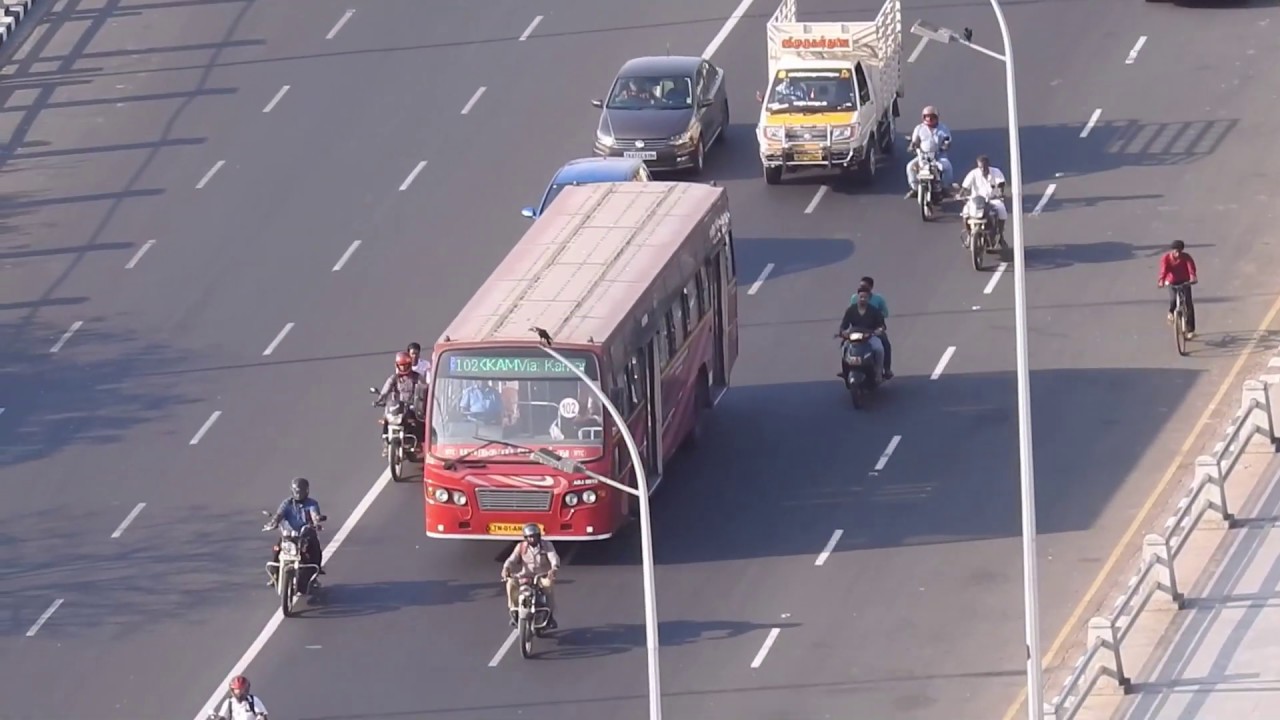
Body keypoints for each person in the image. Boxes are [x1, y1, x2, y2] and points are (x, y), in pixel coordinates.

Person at [265, 478, 324, 587]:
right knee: (276, 549)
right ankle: (274, 575)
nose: (298, 494)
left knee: (315, 548)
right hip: (288, 535)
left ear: (306, 491)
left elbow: (314, 514)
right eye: (296, 491)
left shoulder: (312, 503)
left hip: (306, 535)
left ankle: (314, 574)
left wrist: (316, 520)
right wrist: (274, 522)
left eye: (301, 491)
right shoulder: (287, 503)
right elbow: (279, 514)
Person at [502, 523, 561, 629]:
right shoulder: (520, 546)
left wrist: (553, 569)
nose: (532, 539)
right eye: (529, 537)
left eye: (534, 536)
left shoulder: (547, 545)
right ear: (525, 538)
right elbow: (512, 559)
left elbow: (554, 558)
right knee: (510, 583)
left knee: (549, 586)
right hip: (524, 576)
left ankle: (550, 615)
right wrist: (506, 568)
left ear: (538, 536)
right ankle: (514, 611)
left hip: (541, 576)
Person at [374, 351, 426, 448]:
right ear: (397, 365)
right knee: (386, 418)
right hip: (397, 406)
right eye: (401, 366)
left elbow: (424, 388)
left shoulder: (417, 377)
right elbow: (386, 389)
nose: (403, 368)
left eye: (405, 365)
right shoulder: (394, 378)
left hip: (411, 406)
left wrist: (422, 400)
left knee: (420, 420)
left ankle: (418, 443)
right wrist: (380, 399)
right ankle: (385, 441)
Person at [838, 287, 888, 379]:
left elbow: (882, 325)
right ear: (858, 297)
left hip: (870, 336)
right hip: (854, 336)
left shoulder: (874, 311)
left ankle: (878, 373)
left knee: (879, 349)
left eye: (865, 297)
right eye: (861, 297)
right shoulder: (851, 310)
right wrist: (842, 331)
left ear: (868, 298)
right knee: (844, 348)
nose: (863, 299)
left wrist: (878, 330)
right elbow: (844, 324)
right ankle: (845, 371)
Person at [960, 155, 1009, 247]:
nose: (982, 169)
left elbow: (1000, 184)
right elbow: (965, 187)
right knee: (965, 212)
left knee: (1002, 211)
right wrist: (960, 195)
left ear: (988, 165)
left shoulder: (996, 172)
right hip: (976, 201)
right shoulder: (973, 173)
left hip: (992, 199)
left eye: (984, 167)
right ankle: (969, 235)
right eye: (980, 167)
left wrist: (1000, 193)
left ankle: (1000, 237)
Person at [906, 105, 954, 197]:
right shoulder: (919, 128)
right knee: (910, 167)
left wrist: (945, 145)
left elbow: (947, 139)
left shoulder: (943, 128)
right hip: (923, 155)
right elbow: (915, 141)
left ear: (936, 117)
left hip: (938, 155)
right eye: (927, 116)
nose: (929, 119)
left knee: (947, 167)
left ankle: (945, 187)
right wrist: (912, 146)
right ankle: (915, 188)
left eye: (932, 117)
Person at [850, 276, 893, 379]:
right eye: (861, 286)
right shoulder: (854, 298)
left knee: (884, 344)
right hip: (858, 331)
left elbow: (885, 313)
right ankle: (847, 368)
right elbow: (850, 314)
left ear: (871, 287)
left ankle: (886, 369)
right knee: (845, 345)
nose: (863, 288)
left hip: (873, 330)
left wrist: (876, 318)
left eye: (865, 286)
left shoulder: (878, 299)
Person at [1158, 240, 1198, 339]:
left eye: (1180, 251)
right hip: (1172, 282)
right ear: (1172, 251)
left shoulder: (1186, 257)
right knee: (1172, 300)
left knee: (1188, 304)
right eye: (1176, 251)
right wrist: (1161, 281)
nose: (1178, 254)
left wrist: (1193, 277)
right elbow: (1163, 270)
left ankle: (1190, 329)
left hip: (1185, 282)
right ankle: (1171, 312)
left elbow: (1191, 268)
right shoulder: (1166, 258)